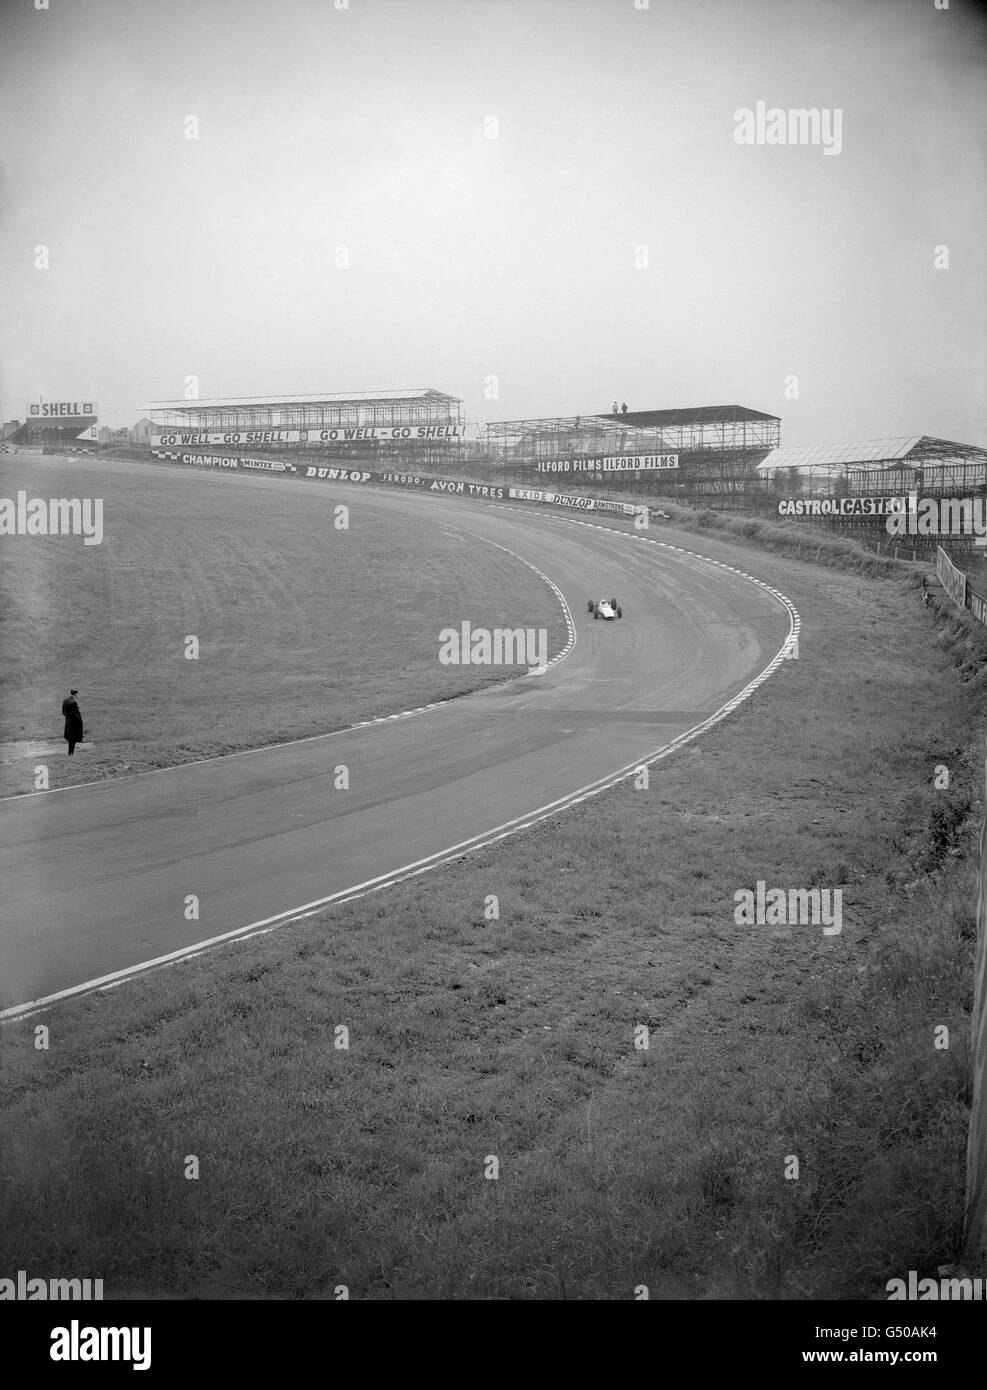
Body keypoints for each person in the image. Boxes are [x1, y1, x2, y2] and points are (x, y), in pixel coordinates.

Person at [62, 688, 83, 755]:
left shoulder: (65, 700)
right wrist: (80, 722)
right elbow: (76, 715)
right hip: (74, 724)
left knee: (70, 739)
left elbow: (63, 712)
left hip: (68, 722)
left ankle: (70, 753)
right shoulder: (73, 703)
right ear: (76, 694)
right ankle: (71, 753)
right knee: (73, 739)